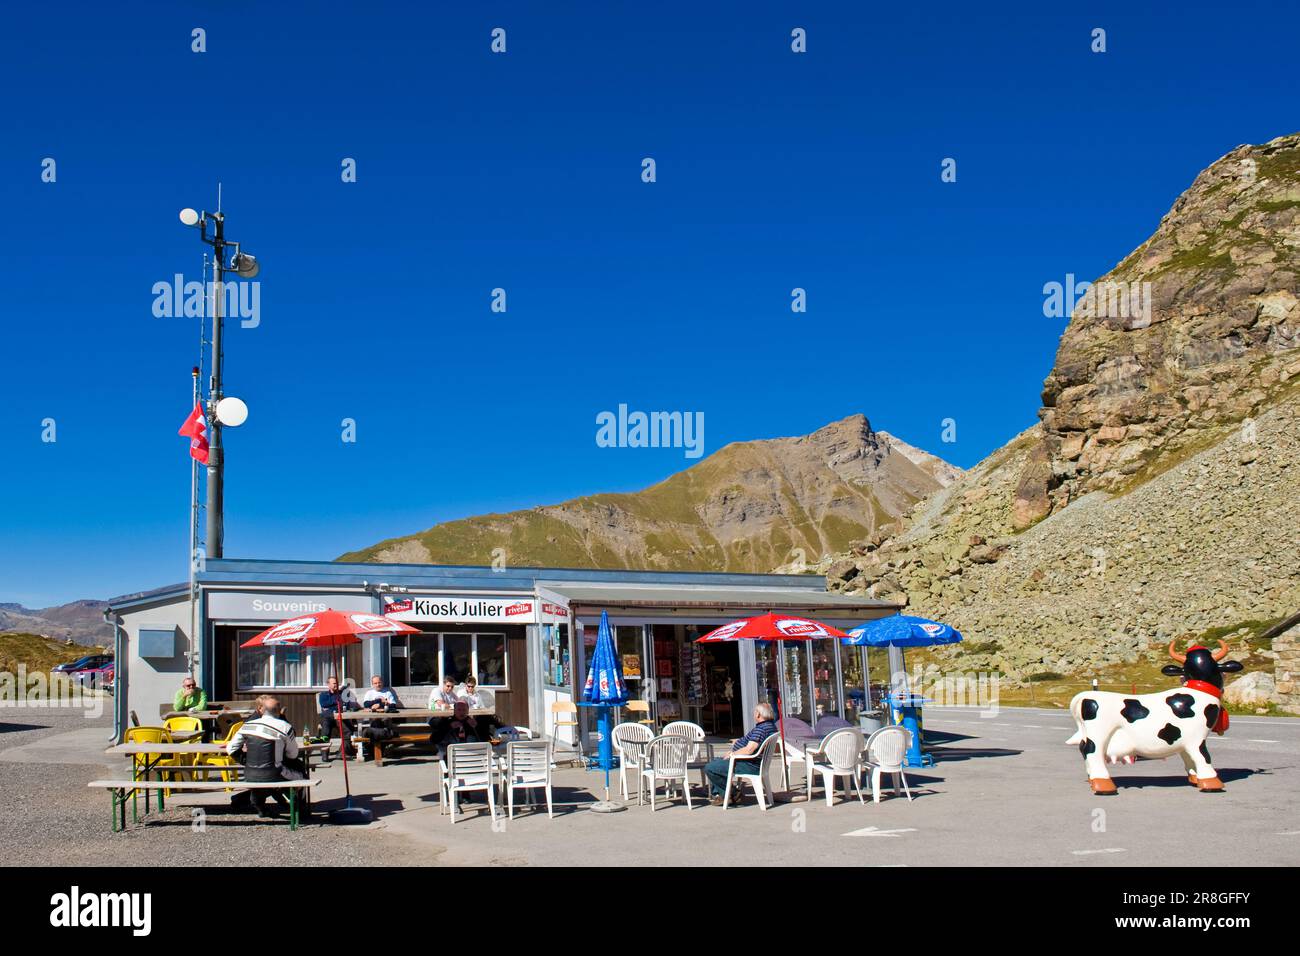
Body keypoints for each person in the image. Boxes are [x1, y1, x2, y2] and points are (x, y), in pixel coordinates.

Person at [226, 696, 301, 818]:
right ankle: (297, 810)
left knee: (261, 780)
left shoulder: (247, 725)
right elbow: (293, 754)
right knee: (301, 775)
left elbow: (231, 748)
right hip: (275, 772)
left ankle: (260, 806)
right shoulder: (285, 727)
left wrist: (246, 760)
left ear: (261, 710)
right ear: (279, 710)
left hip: (249, 773)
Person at [703, 702, 778, 806]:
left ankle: (732, 793)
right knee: (716, 761)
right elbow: (752, 742)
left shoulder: (761, 729)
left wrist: (732, 754)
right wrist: (737, 741)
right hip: (754, 763)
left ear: (758, 715)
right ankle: (724, 795)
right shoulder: (770, 726)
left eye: (755, 712)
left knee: (710, 767)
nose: (754, 714)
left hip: (748, 764)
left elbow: (749, 750)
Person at [316, 676, 360, 752]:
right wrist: (337, 703)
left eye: (337, 683)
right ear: (328, 684)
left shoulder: (342, 694)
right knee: (325, 732)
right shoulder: (323, 695)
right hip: (328, 717)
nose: (336, 685)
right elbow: (324, 704)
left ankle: (341, 752)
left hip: (340, 717)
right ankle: (324, 753)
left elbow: (347, 704)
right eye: (334, 683)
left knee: (348, 730)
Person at [358, 675, 401, 754]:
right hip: (374, 718)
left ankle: (374, 749)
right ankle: (390, 734)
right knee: (376, 723)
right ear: (372, 684)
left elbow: (393, 705)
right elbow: (366, 704)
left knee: (370, 731)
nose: (378, 685)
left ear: (382, 683)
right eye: (375, 683)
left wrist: (379, 705)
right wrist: (380, 701)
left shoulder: (387, 692)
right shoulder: (369, 693)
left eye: (379, 682)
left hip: (385, 718)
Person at [458, 675, 500, 743]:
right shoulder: (462, 693)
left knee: (487, 718)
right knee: (484, 721)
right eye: (469, 686)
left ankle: (488, 738)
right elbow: (464, 705)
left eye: (472, 687)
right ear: (465, 685)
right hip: (465, 715)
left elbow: (482, 706)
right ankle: (491, 736)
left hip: (476, 715)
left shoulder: (477, 695)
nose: (470, 688)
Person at [427, 674, 459, 745]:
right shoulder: (437, 690)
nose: (450, 688)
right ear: (443, 685)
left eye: (452, 687)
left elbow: (459, 702)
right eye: (448, 686)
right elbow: (441, 704)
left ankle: (458, 742)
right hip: (434, 717)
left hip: (447, 717)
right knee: (444, 724)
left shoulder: (451, 693)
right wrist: (453, 706)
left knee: (460, 720)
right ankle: (434, 741)